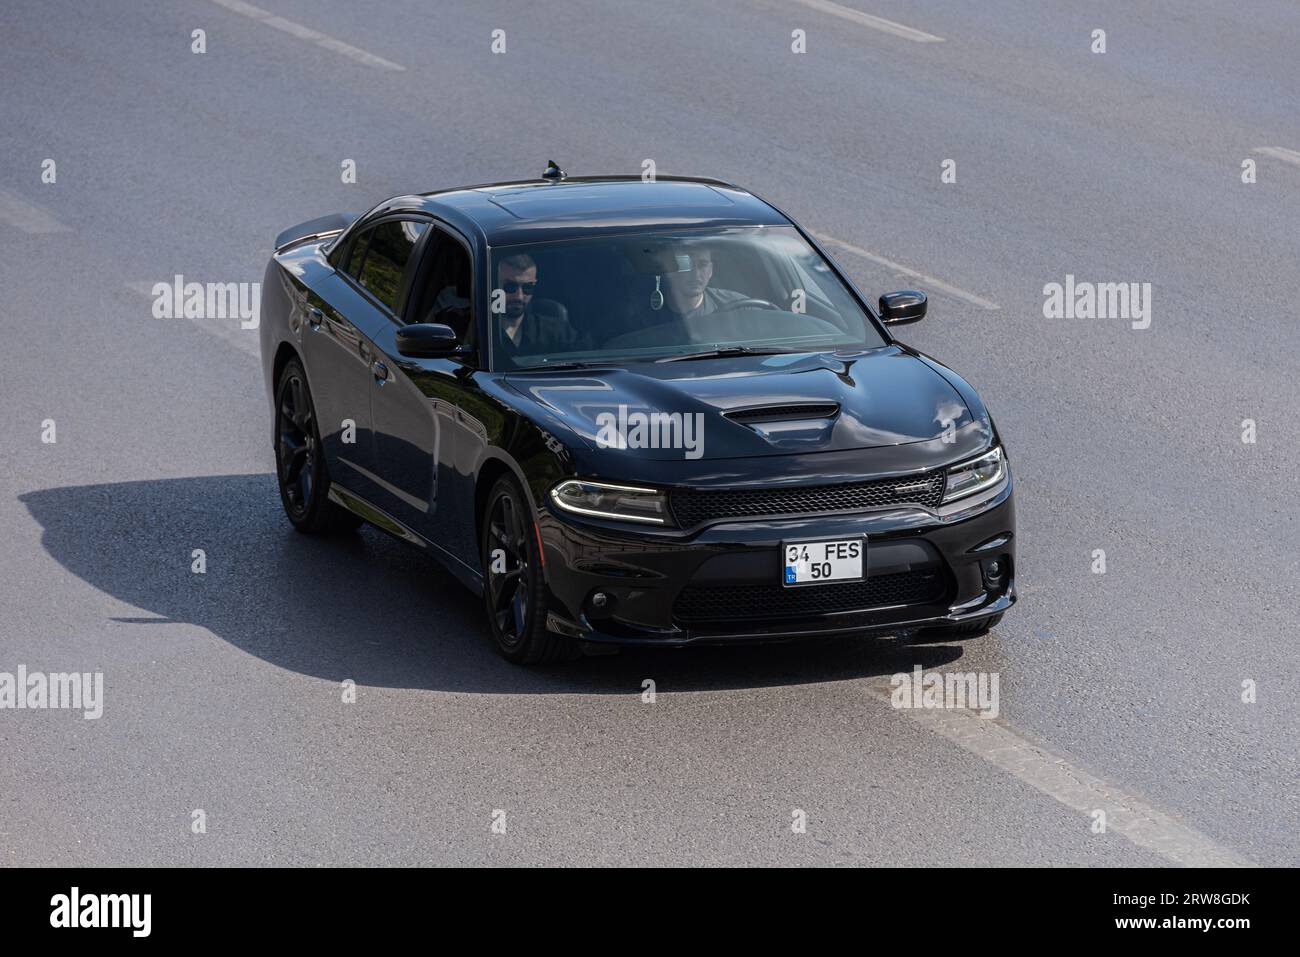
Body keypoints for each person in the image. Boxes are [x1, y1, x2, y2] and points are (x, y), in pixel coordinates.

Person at [494, 253, 580, 360]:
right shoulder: (478, 331)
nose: (519, 296)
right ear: (493, 285)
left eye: (527, 287)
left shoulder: (558, 333)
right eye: (510, 286)